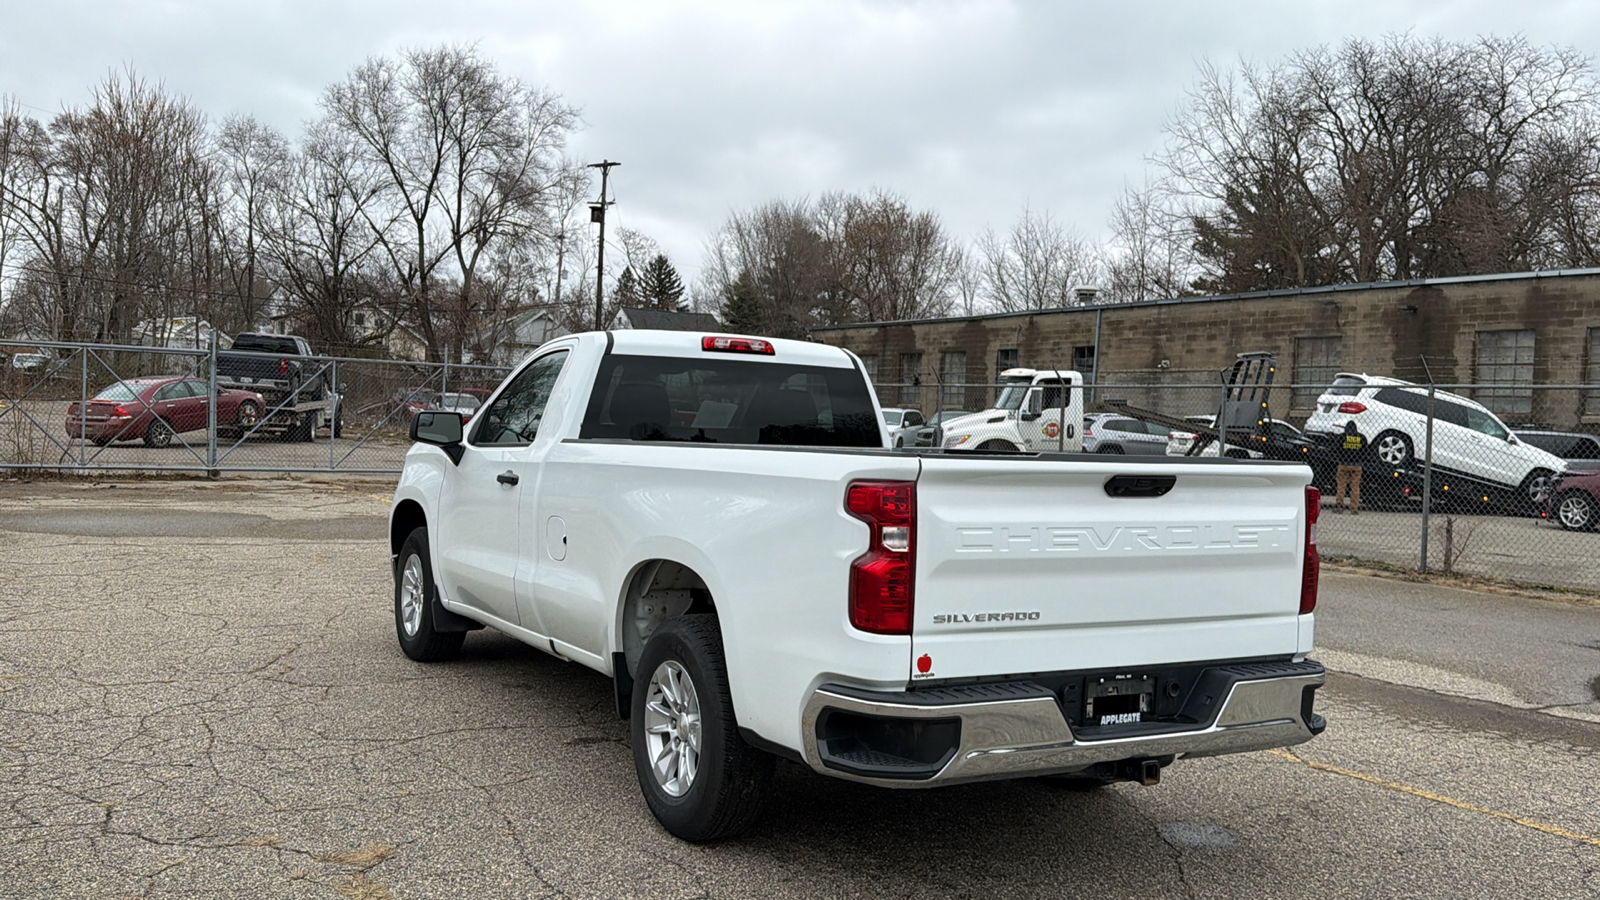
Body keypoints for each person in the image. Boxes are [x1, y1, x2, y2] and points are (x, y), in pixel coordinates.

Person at [1334, 421, 1365, 514]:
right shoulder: (1361, 437)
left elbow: (1335, 449)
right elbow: (1365, 451)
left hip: (1343, 464)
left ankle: (1339, 506)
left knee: (1341, 486)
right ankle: (1354, 508)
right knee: (1355, 487)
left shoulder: (1342, 437)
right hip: (1357, 465)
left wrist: (1340, 458)